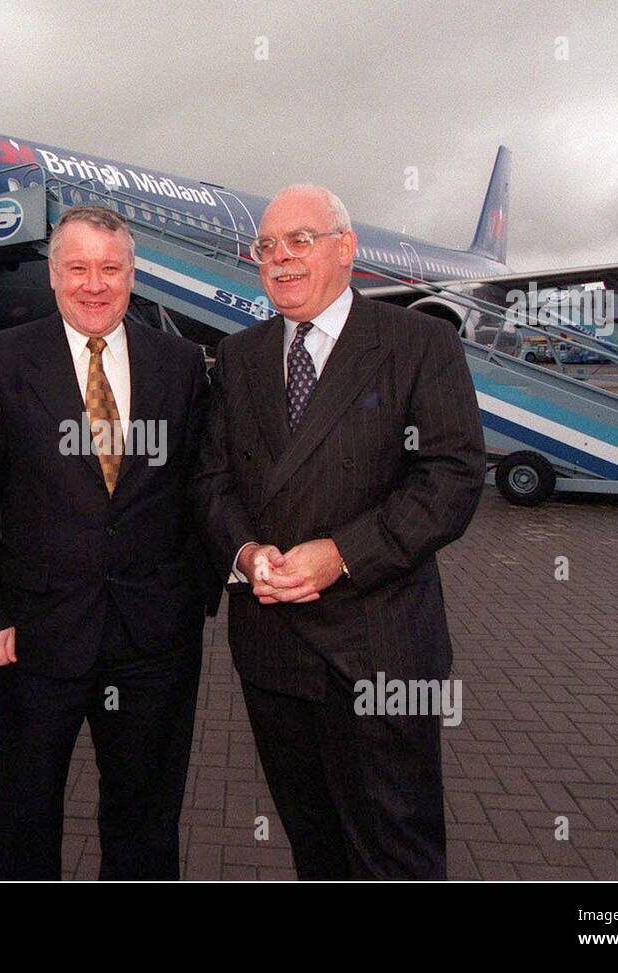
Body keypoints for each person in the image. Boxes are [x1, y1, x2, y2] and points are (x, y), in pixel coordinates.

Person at [194, 184, 485, 879]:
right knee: (315, 847)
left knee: (394, 852)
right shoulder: (239, 357)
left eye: (300, 240)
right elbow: (209, 481)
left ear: (346, 249)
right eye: (267, 246)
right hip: (273, 655)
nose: (280, 258)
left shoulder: (418, 342)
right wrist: (244, 550)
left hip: (379, 650)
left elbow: (452, 476)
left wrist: (343, 556)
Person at [0, 205, 217, 879]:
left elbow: (201, 489)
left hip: (154, 641)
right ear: (52, 275)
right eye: (78, 267)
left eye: (110, 268)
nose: (94, 284)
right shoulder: (2, 362)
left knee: (145, 817)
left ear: (133, 274)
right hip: (36, 637)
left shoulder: (182, 365)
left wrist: (194, 600)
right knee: (25, 815)